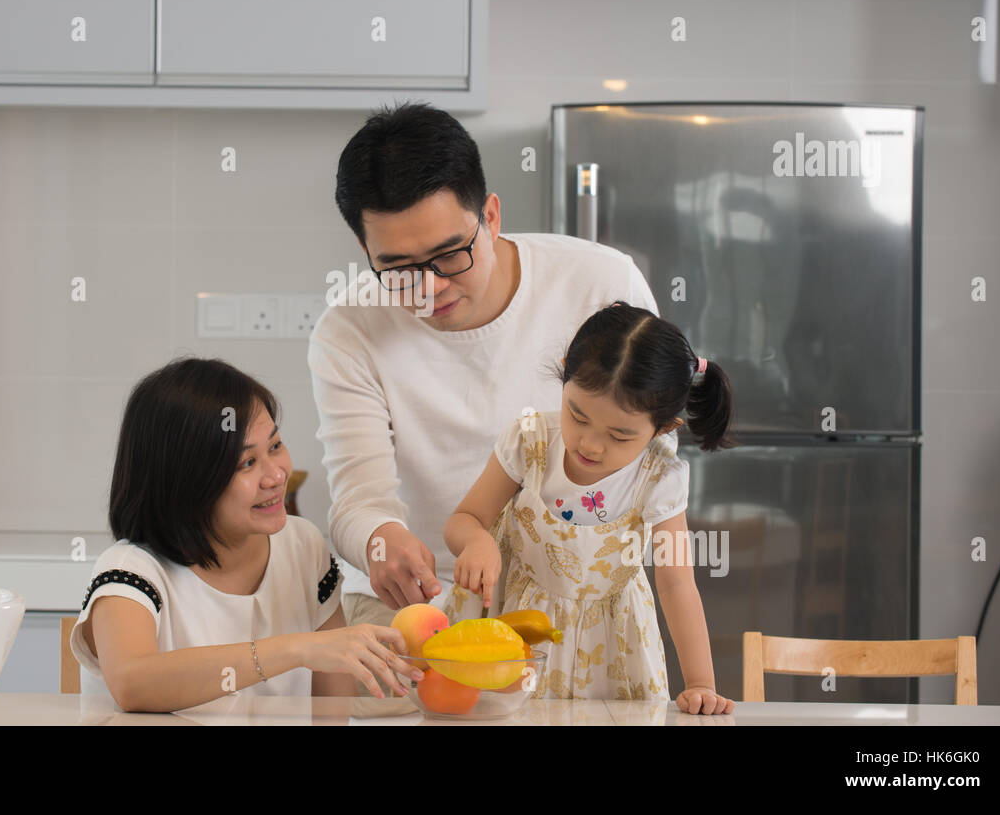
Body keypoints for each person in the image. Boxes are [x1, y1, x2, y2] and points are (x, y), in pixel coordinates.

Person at [308, 101, 669, 636]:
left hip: (568, 594)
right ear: (365, 250)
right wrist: (378, 538)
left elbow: (646, 453)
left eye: (451, 254)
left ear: (491, 217)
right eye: (397, 268)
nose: (429, 289)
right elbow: (356, 498)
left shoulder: (601, 285)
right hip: (416, 604)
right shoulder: (349, 331)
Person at [69, 358, 423, 713]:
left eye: (274, 447)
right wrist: (297, 648)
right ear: (187, 481)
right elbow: (133, 684)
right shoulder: (132, 571)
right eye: (246, 463)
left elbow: (330, 704)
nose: (275, 476)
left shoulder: (302, 546)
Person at [444, 302, 738, 713]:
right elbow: (466, 518)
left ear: (664, 426)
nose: (590, 444)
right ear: (565, 373)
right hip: (521, 634)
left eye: (620, 436)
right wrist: (476, 542)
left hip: (616, 649)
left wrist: (701, 682)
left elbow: (676, 584)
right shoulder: (530, 442)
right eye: (577, 415)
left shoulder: (658, 477)